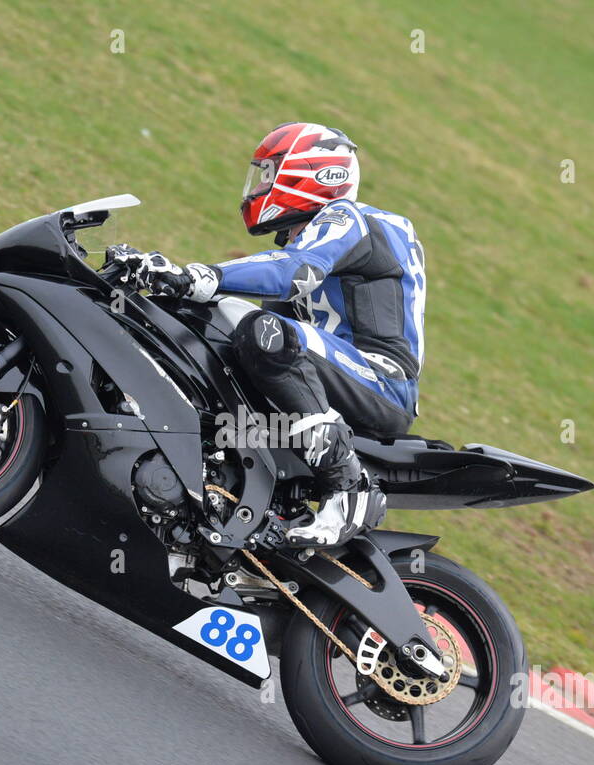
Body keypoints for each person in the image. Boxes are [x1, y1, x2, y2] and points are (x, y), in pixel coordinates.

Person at [118, 122, 427, 546]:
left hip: (381, 379)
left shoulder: (348, 218)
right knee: (232, 327)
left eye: (269, 174)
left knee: (264, 331)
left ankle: (348, 485)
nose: (259, 186)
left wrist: (197, 275)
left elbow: (290, 275)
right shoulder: (321, 239)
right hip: (341, 373)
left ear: (312, 173)